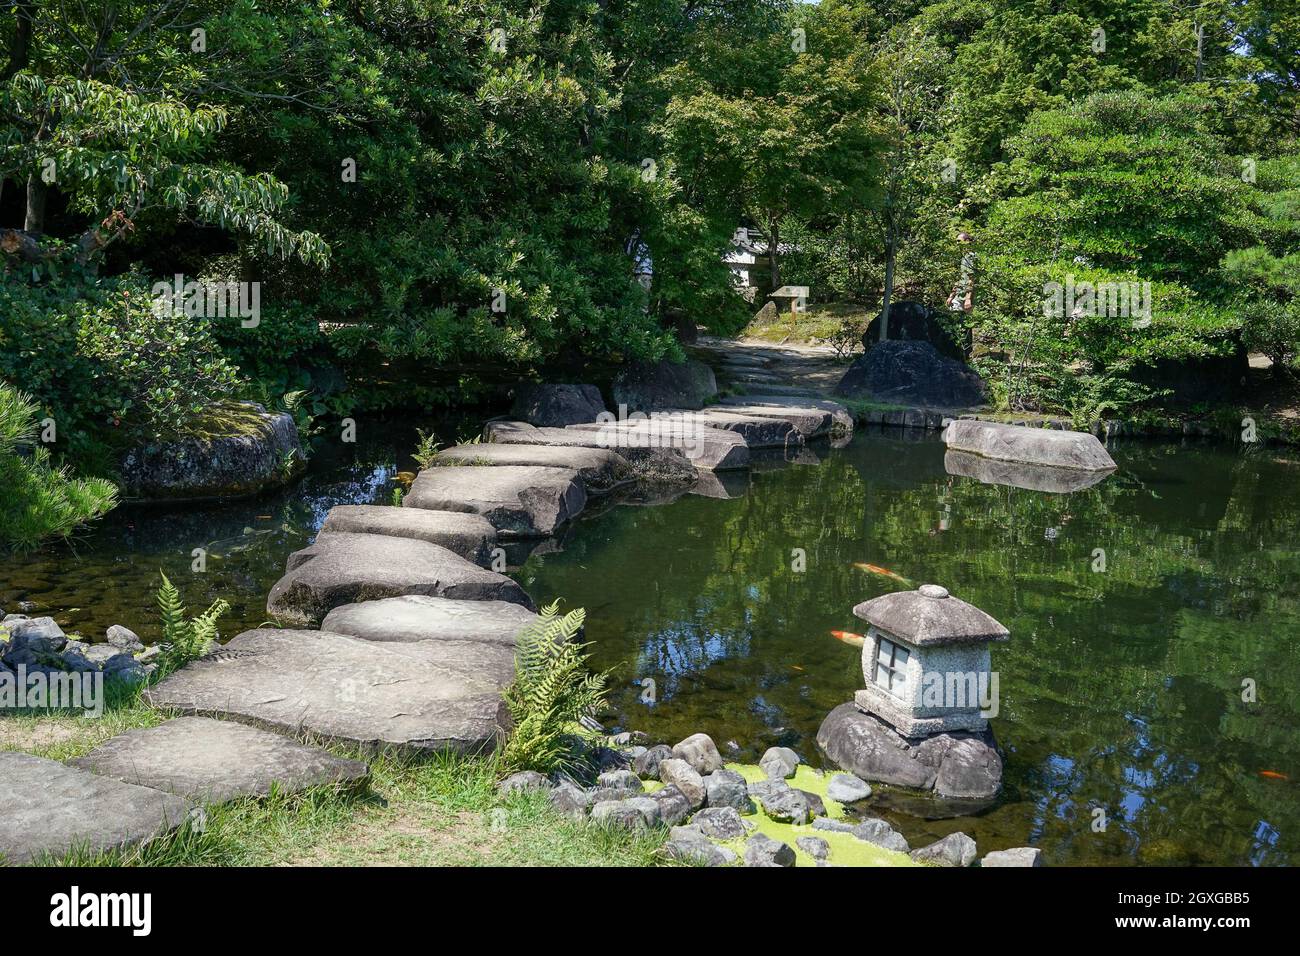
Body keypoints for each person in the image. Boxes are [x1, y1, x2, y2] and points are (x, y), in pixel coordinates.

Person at [946, 231, 976, 313]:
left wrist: (968, 299)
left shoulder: (971, 256)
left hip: (966, 298)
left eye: (959, 241)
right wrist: (951, 295)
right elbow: (960, 279)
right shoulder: (964, 257)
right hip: (959, 296)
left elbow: (971, 278)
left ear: (967, 241)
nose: (957, 243)